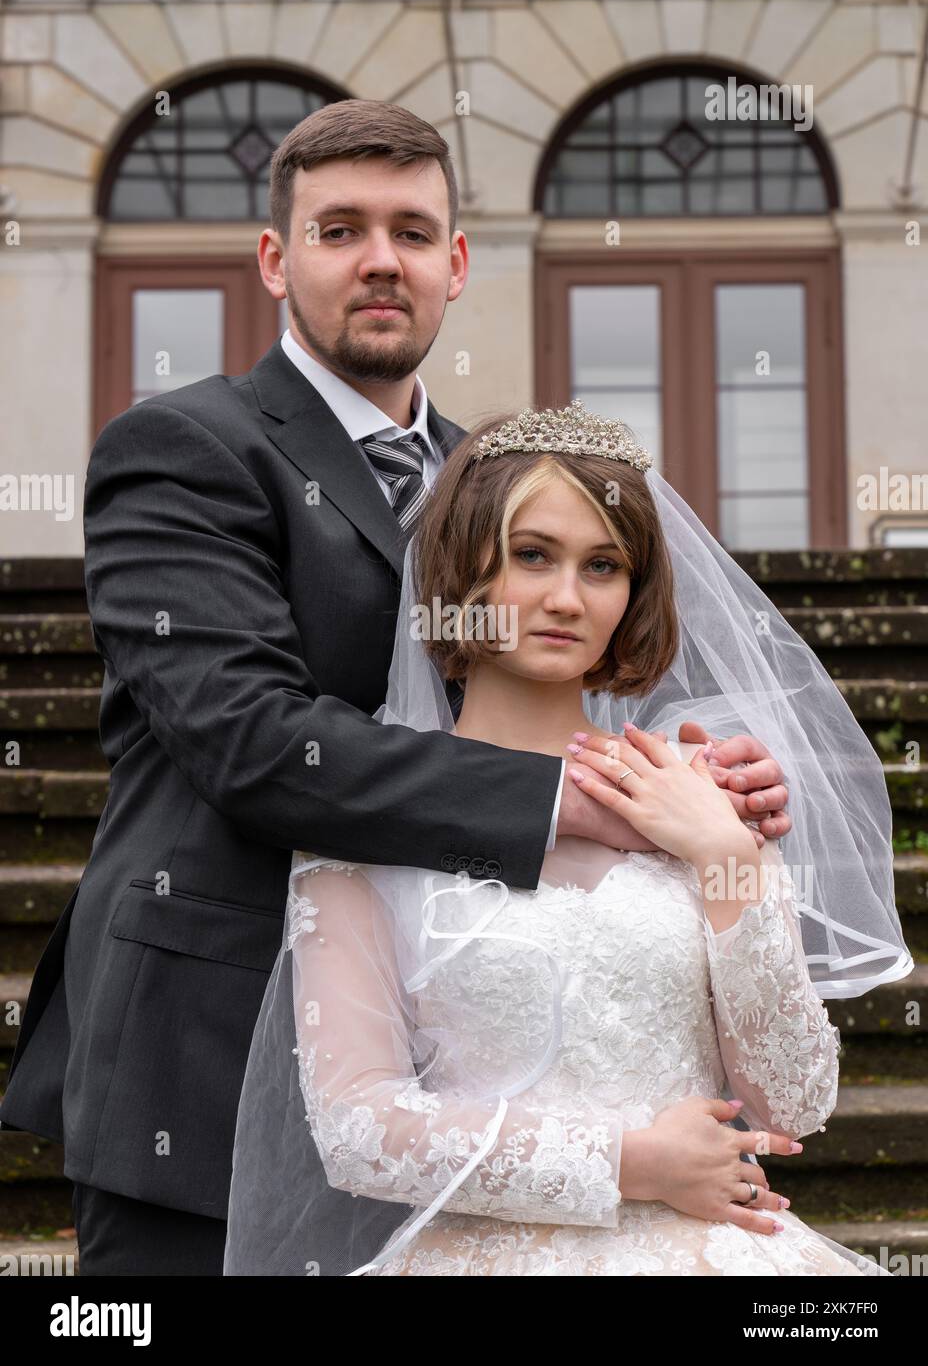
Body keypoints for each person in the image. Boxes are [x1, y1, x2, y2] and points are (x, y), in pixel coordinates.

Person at [0, 100, 788, 1276]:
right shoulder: (184, 448)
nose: (382, 259)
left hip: (486, 1087)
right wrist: (577, 798)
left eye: (413, 232)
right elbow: (251, 738)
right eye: (340, 229)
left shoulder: (507, 480)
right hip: (204, 1054)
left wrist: (695, 784)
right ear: (276, 258)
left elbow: (571, 686)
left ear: (456, 263)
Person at [223, 401, 911, 1277]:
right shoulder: (361, 827)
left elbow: (796, 1100)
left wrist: (732, 863)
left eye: (603, 565)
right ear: (459, 569)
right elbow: (361, 1130)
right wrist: (627, 1162)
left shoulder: (701, 795)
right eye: (532, 555)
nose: (565, 598)